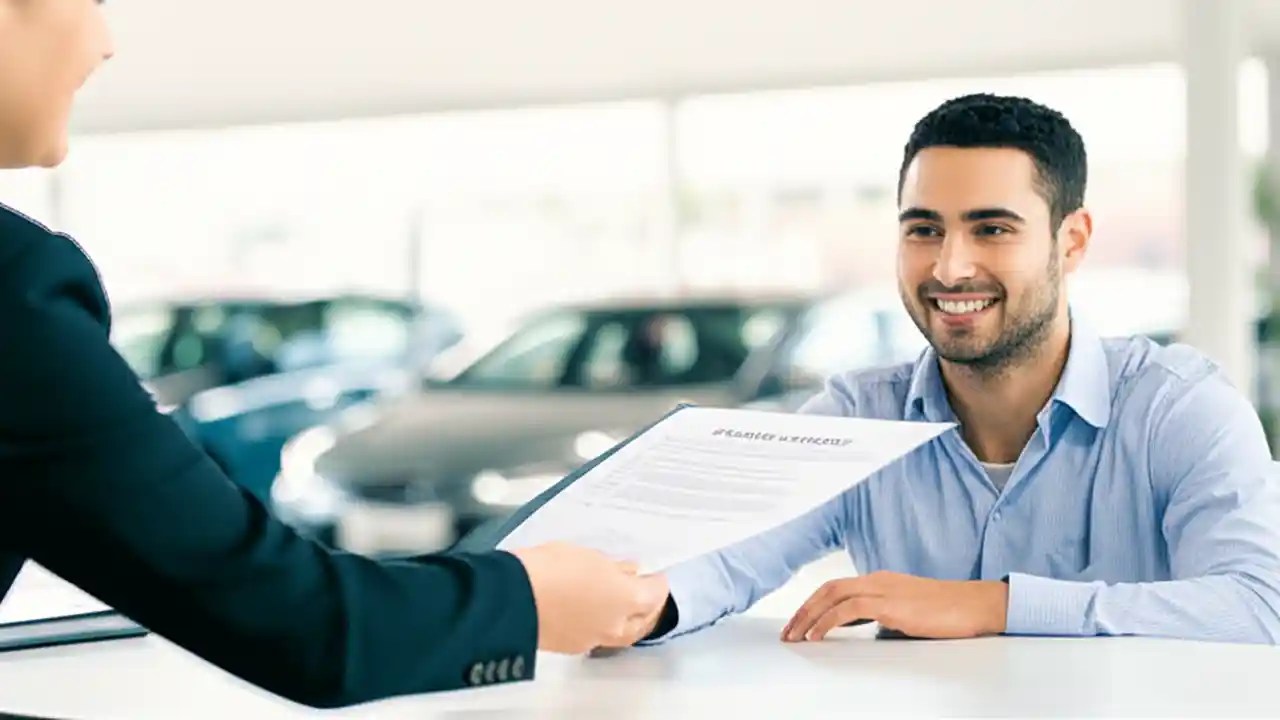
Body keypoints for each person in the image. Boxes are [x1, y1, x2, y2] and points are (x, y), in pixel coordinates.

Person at [0, 0, 666, 709]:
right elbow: (307, 621)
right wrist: (529, 599)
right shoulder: (15, 288)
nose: (105, 44)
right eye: (92, 1)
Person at [622, 93, 1280, 648]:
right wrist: (638, 604)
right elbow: (729, 558)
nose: (949, 267)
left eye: (992, 229)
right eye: (924, 230)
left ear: (1071, 240)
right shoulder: (857, 417)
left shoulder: (1178, 408)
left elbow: (1260, 605)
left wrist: (994, 606)